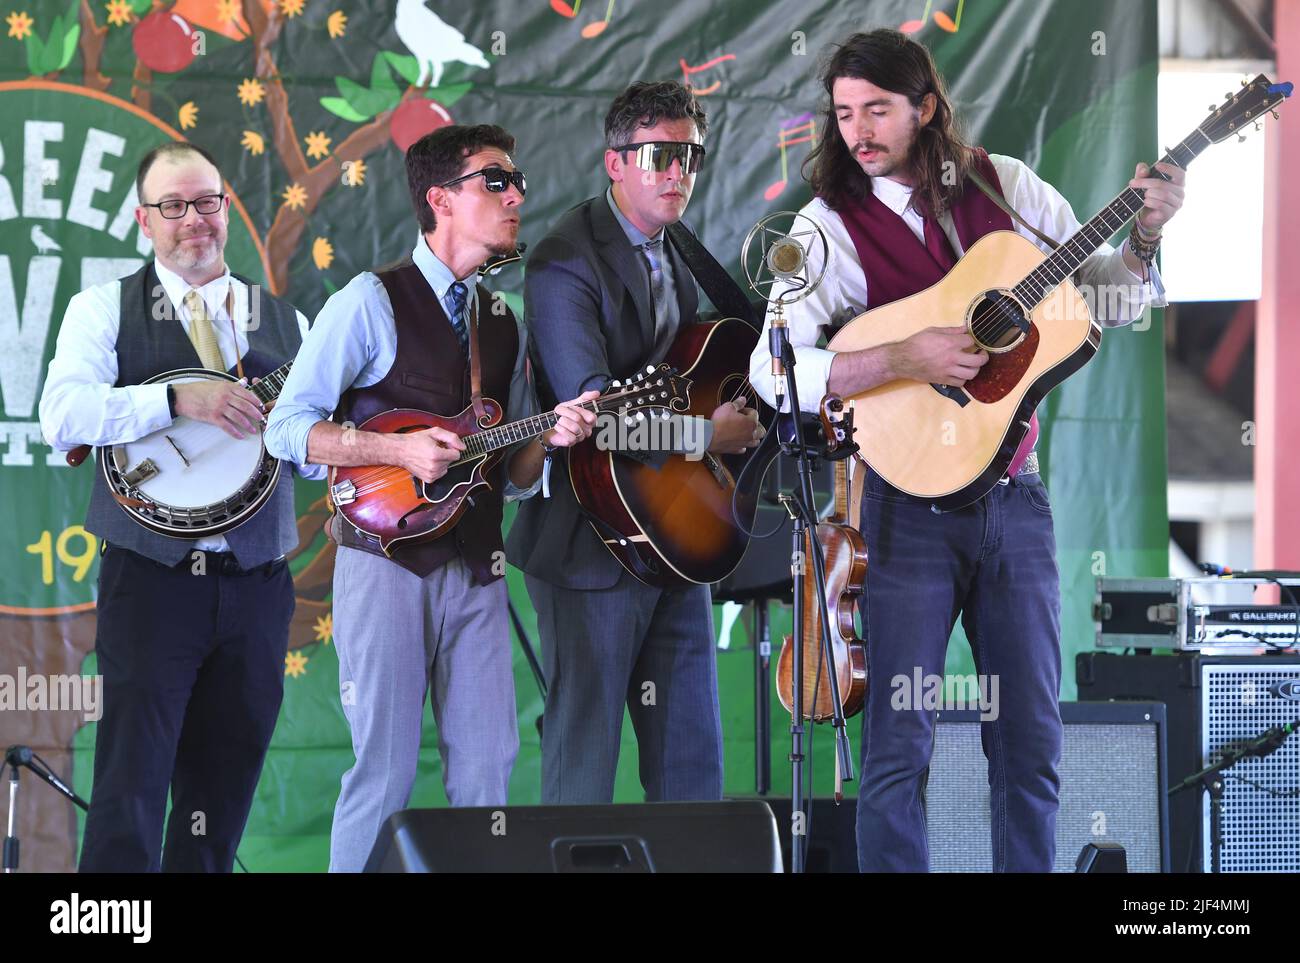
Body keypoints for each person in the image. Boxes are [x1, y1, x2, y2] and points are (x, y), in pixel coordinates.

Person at [747, 30, 1185, 871]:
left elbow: (1109, 300)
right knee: (897, 746)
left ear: (927, 108)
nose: (858, 130)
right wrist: (900, 358)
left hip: (1014, 501)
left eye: (877, 109)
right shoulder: (825, 227)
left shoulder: (1006, 185)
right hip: (903, 508)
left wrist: (1145, 240)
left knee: (1030, 738)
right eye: (843, 113)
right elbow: (774, 371)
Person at [264, 124, 596, 872]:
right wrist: (395, 449)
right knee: (381, 772)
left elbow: (509, 473)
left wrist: (553, 436)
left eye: (516, 181)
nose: (516, 195)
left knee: (487, 776)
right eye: (495, 181)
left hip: (477, 567)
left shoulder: (501, 321)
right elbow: (286, 429)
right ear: (441, 199)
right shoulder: (368, 301)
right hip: (383, 563)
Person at [39, 141, 315, 872]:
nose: (194, 219)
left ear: (226, 208)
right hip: (152, 581)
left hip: (258, 583)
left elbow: (314, 455)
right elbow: (61, 414)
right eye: (174, 205)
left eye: (207, 202)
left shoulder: (286, 323)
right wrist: (173, 397)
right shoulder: (103, 307)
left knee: (220, 795)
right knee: (131, 785)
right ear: (143, 219)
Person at [507, 81, 762, 804]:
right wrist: (705, 434)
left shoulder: (678, 245)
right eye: (658, 155)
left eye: (689, 155)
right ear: (614, 162)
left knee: (693, 769)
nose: (677, 171)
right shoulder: (563, 262)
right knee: (584, 770)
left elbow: (690, 365)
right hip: (589, 544)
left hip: (676, 540)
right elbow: (597, 421)